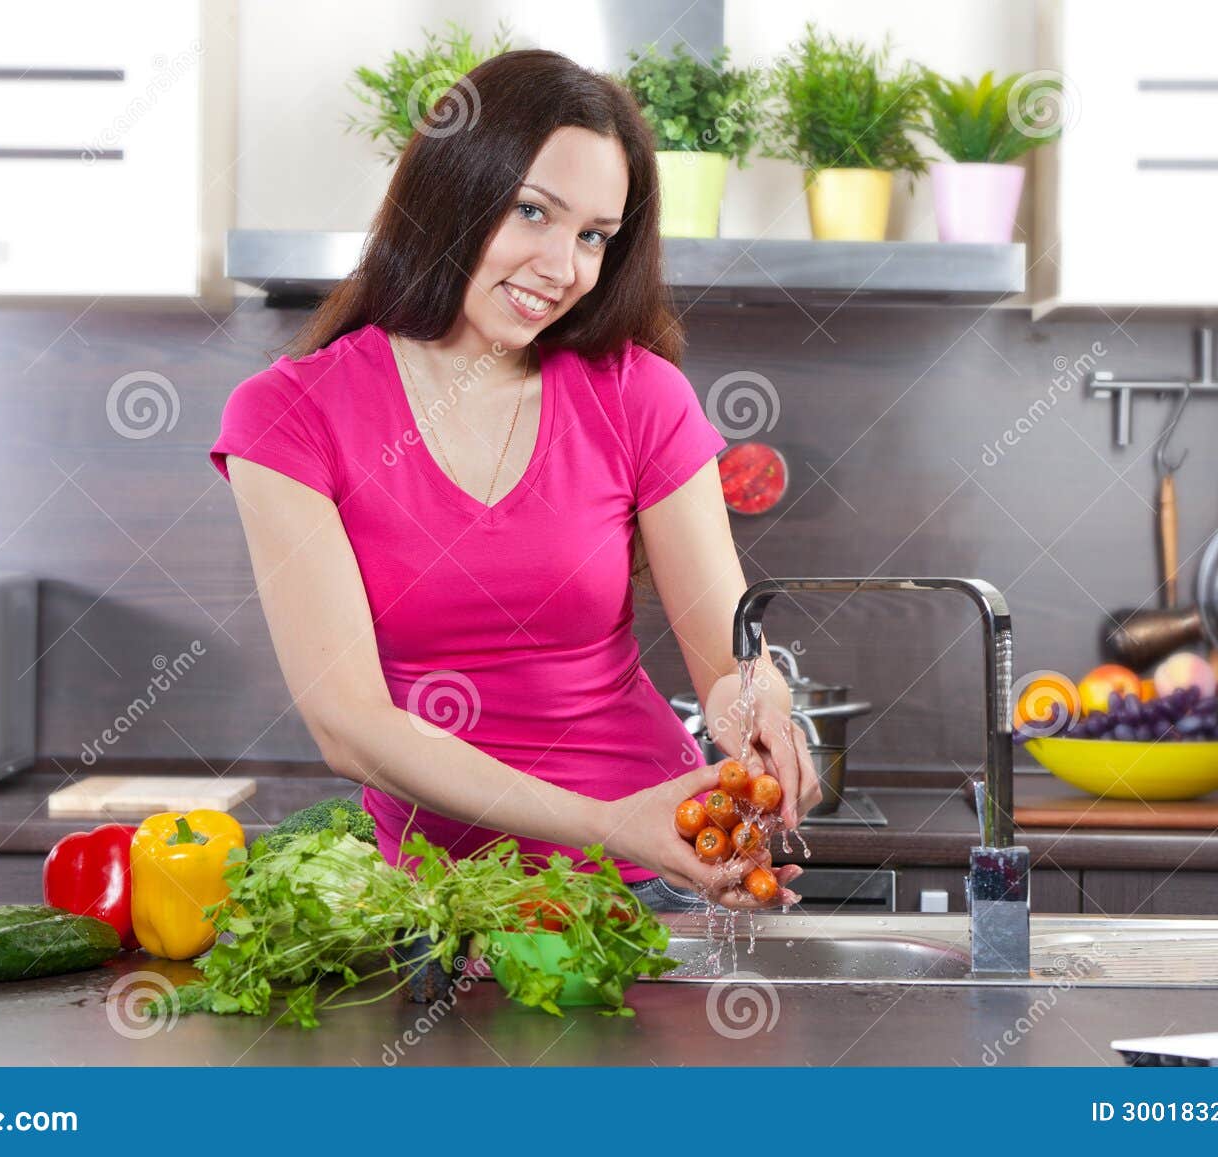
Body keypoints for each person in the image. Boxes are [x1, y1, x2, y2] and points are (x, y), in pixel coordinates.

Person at [208, 49, 818, 910]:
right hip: (448, 905)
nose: (563, 267)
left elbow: (727, 655)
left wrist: (760, 714)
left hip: (659, 877)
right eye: (532, 211)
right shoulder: (292, 417)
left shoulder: (639, 394)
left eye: (593, 236)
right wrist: (610, 823)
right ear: (451, 190)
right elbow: (352, 727)